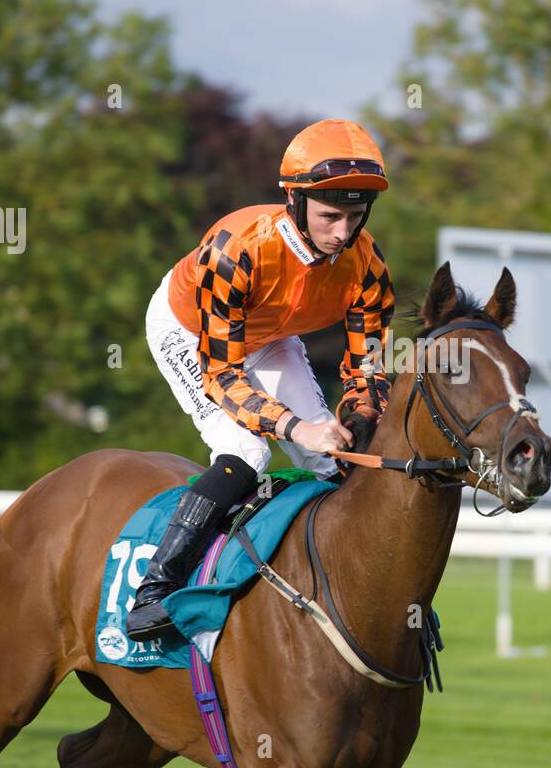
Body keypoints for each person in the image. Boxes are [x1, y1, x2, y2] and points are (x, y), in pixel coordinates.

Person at [128, 119, 396, 641]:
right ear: (294, 203)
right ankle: (157, 589)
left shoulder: (367, 265)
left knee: (332, 459)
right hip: (190, 335)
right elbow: (223, 375)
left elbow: (367, 371)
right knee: (249, 454)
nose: (343, 233)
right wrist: (296, 426)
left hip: (271, 336)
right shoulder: (237, 248)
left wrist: (358, 420)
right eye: (329, 216)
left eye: (355, 216)